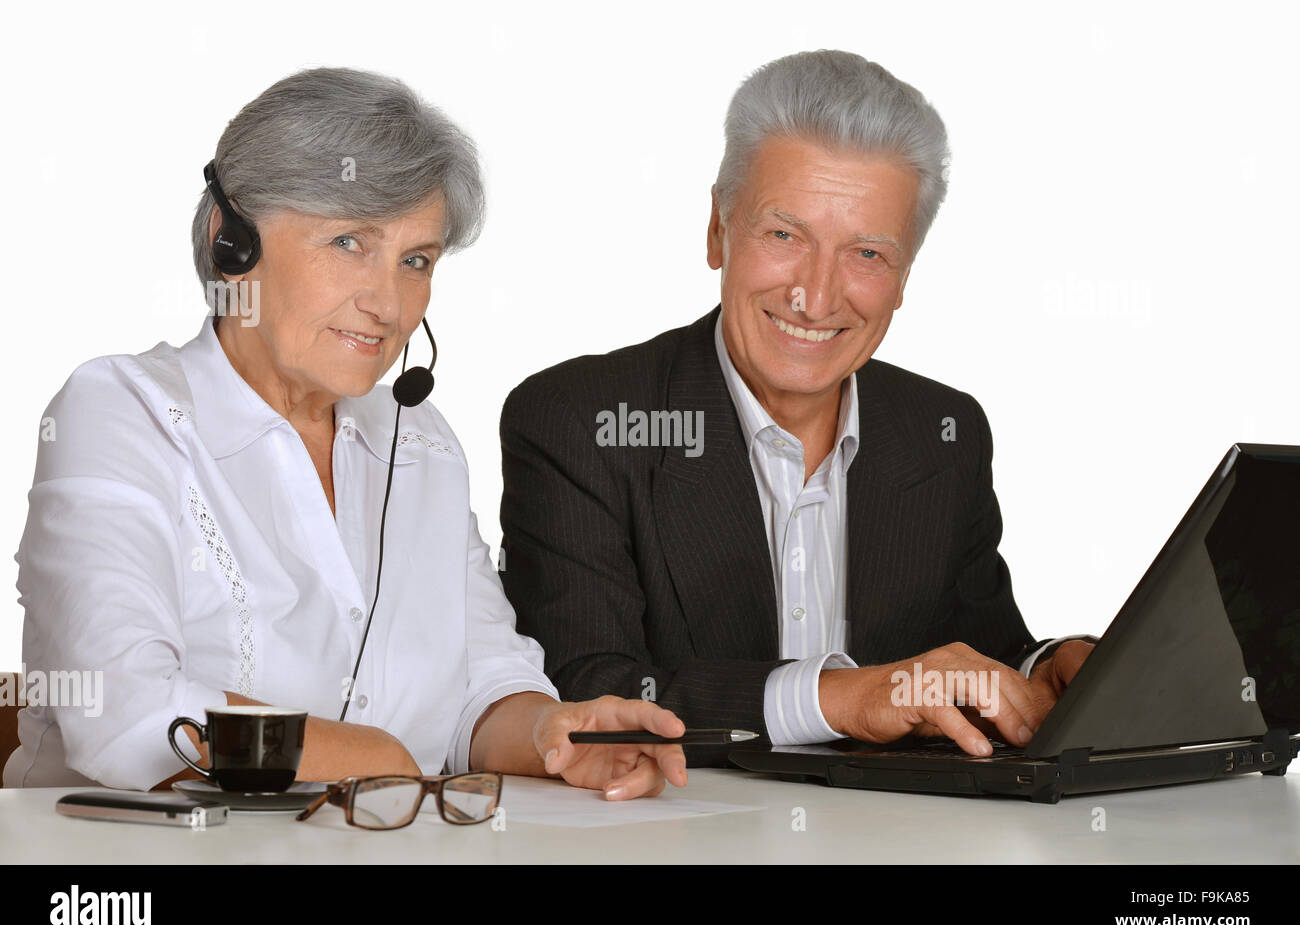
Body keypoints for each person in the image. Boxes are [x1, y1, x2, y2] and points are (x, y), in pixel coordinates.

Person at [4, 67, 687, 800]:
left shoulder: (419, 441)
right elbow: (123, 712)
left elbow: (480, 683)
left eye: (415, 260)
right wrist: (374, 754)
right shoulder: (121, 411)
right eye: (348, 243)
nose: (388, 303)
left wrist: (554, 735)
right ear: (231, 242)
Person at [498, 50, 1097, 767]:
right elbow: (584, 694)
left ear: (904, 276)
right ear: (719, 230)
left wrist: (1051, 669)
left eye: (868, 253)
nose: (817, 295)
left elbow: (975, 656)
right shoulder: (580, 422)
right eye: (784, 235)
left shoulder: (944, 432)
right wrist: (843, 696)